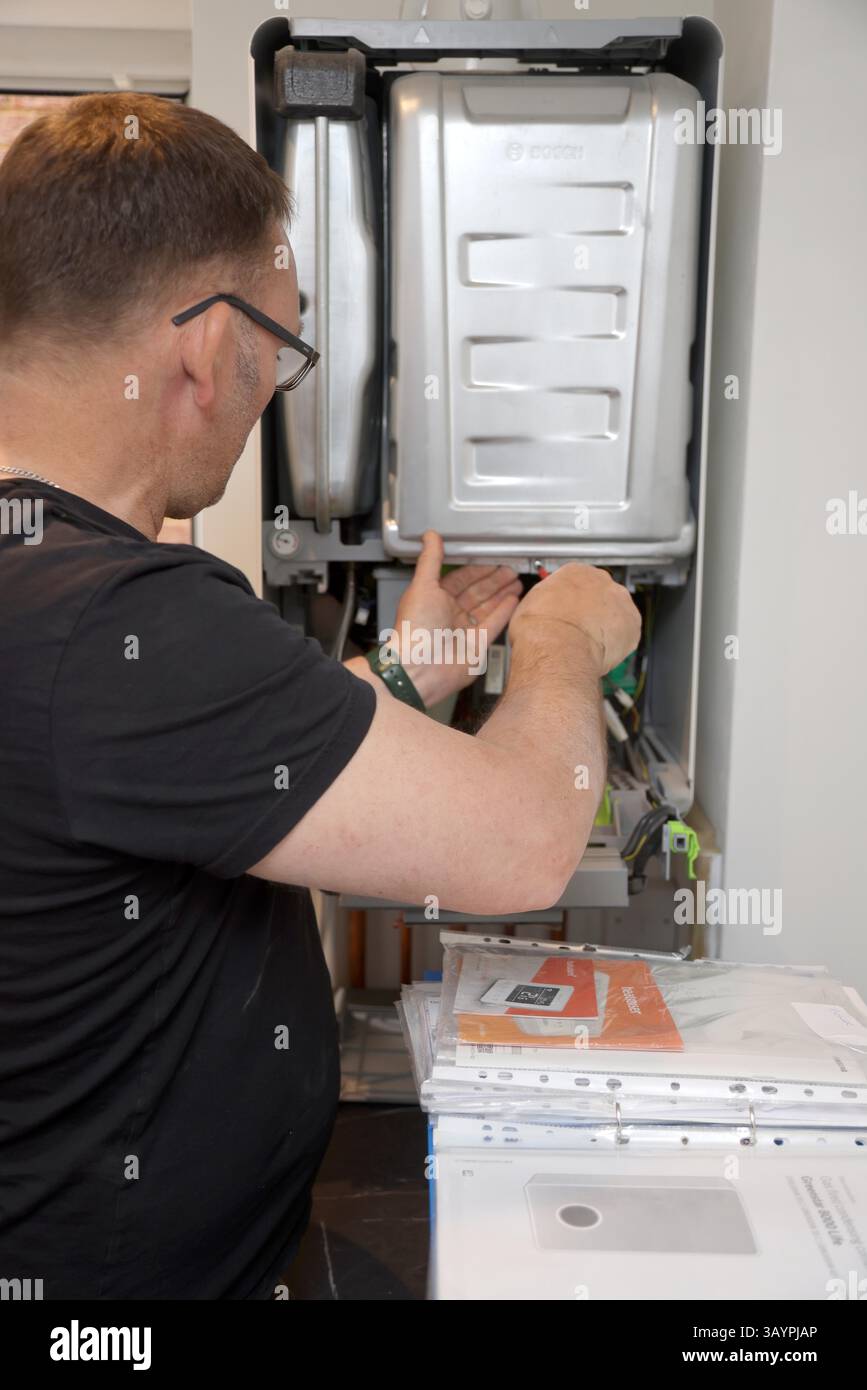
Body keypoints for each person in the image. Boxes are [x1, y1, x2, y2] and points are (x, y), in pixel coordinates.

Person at [0, 93, 640, 1299]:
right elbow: (523, 846)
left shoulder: (56, 595)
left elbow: (166, 773)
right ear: (204, 344)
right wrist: (562, 639)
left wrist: (400, 680)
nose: (271, 392)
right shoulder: (126, 619)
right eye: (280, 353)